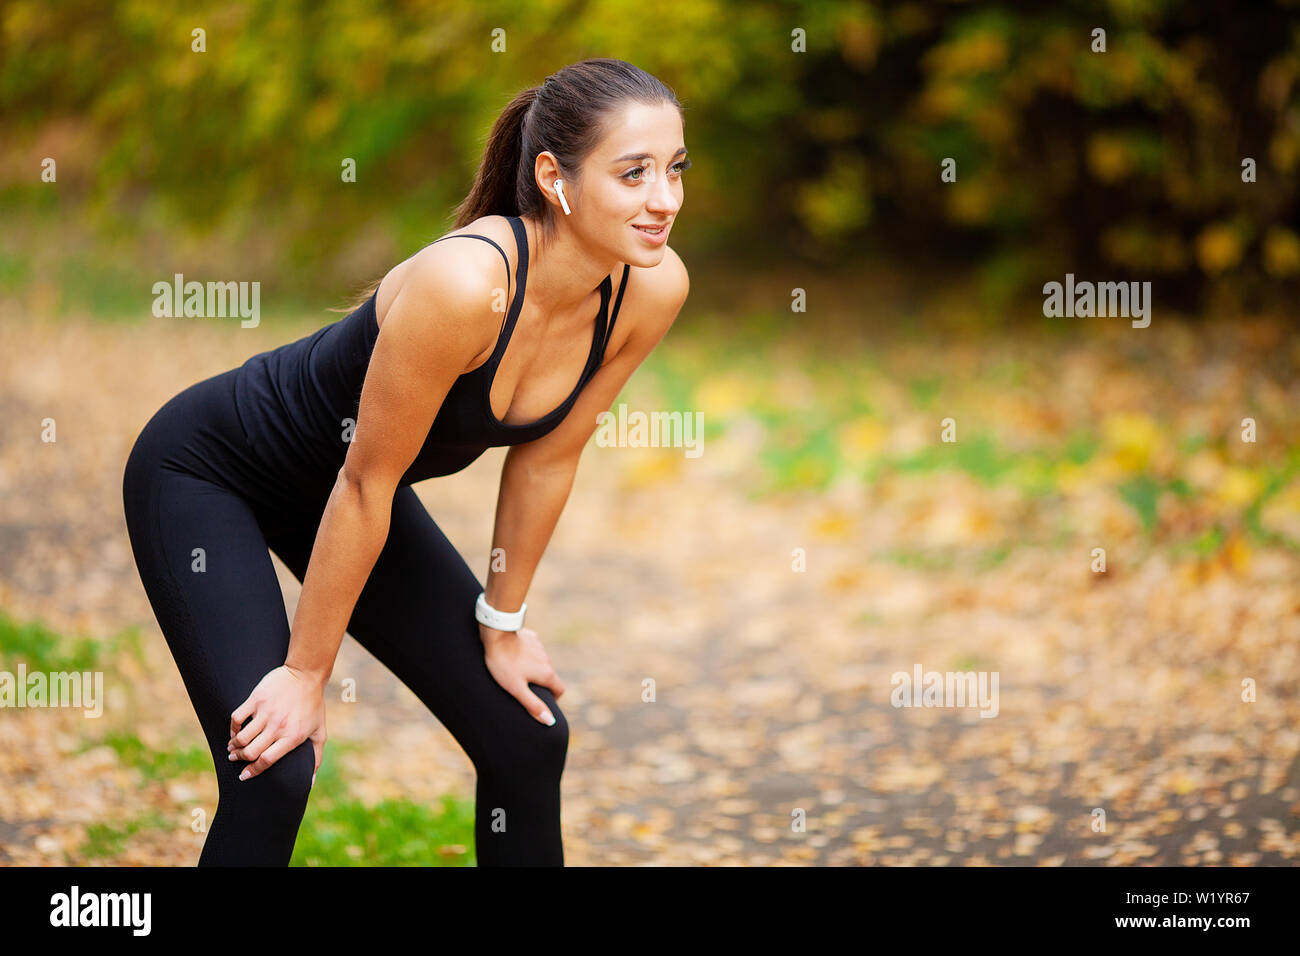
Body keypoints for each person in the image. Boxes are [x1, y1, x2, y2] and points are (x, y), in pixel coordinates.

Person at [121, 57, 690, 866]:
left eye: (674, 169)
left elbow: (549, 458)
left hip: (353, 492)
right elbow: (363, 482)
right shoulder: (465, 283)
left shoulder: (650, 290)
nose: (663, 199)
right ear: (554, 177)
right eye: (633, 174)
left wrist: (502, 624)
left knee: (526, 737)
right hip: (213, 473)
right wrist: (305, 674)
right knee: (273, 768)